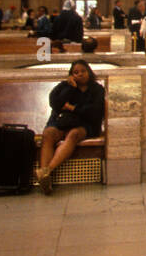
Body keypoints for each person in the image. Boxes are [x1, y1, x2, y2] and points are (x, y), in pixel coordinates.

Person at [37, 59, 106, 195]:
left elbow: (94, 111)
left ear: (89, 72)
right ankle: (45, 177)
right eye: (76, 72)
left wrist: (73, 108)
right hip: (62, 122)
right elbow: (55, 103)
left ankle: (46, 171)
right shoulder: (65, 86)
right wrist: (70, 87)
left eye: (83, 71)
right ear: (71, 74)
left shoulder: (97, 89)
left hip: (85, 124)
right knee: (48, 134)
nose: (80, 75)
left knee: (73, 135)